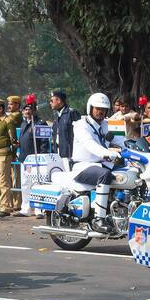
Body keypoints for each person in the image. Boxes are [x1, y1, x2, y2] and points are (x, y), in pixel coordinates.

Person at [59, 91, 124, 229]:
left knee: (129, 172)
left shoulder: (107, 125)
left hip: (102, 164)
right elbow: (90, 144)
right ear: (90, 108)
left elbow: (122, 141)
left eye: (103, 109)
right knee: (104, 175)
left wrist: (134, 150)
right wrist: (107, 153)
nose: (100, 112)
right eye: (98, 108)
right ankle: (98, 219)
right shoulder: (81, 125)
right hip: (82, 166)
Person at [0, 96, 23, 216]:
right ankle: (2, 205)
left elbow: (13, 139)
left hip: (4, 155)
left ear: (0, 109)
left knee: (4, 182)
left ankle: (6, 208)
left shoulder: (8, 121)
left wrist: (13, 153)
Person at [50, 90, 79, 160]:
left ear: (58, 101)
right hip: (58, 155)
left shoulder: (71, 113)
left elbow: (79, 134)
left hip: (70, 155)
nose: (50, 103)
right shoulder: (57, 116)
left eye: (52, 100)